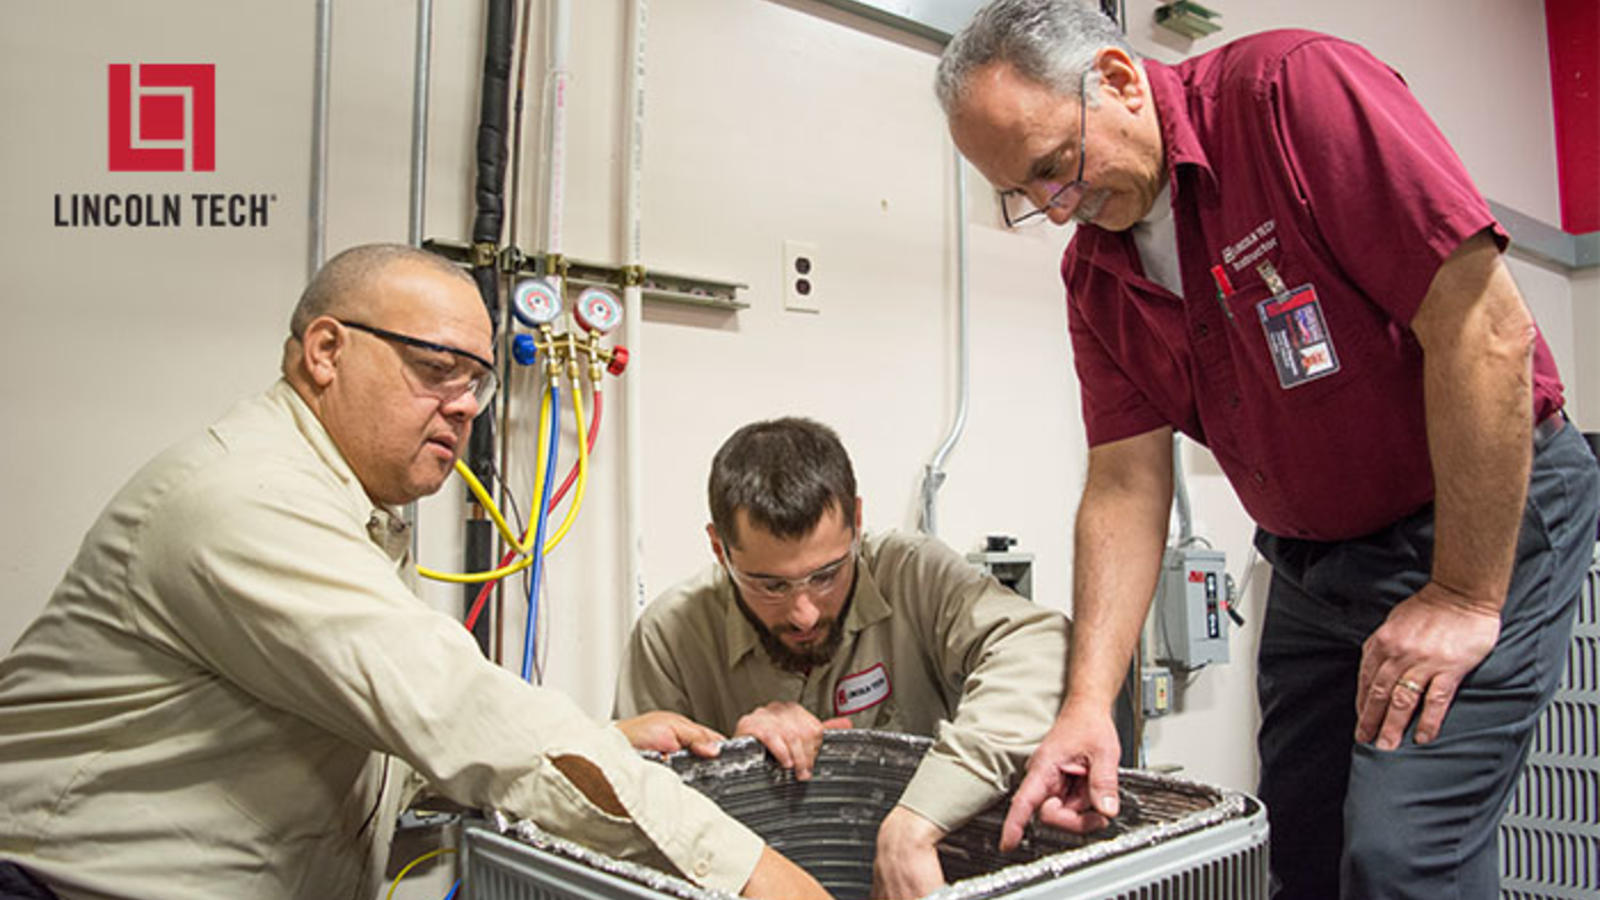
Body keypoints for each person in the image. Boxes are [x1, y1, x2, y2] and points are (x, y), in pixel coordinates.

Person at [934, 2, 1600, 898]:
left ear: (1121, 81)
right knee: (1300, 853)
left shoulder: (1290, 94)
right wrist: (1091, 707)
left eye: (1057, 167)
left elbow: (1486, 329)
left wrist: (1465, 594)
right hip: (1315, 561)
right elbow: (1126, 485)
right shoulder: (1096, 273)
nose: (1056, 210)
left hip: (1481, 518)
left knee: (1403, 860)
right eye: (1026, 195)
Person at [0, 244, 828, 900]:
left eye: (478, 380)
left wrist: (606, 743)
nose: (466, 405)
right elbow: (459, 710)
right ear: (325, 350)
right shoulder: (241, 502)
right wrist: (752, 872)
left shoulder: (340, 512)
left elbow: (390, 751)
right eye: (436, 368)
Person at [613, 417, 1071, 899]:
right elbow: (626, 814)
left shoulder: (914, 575)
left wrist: (917, 823)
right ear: (719, 549)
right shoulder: (669, 635)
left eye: (827, 574)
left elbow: (1043, 647)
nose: (805, 613)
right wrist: (733, 767)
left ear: (856, 520)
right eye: (771, 585)